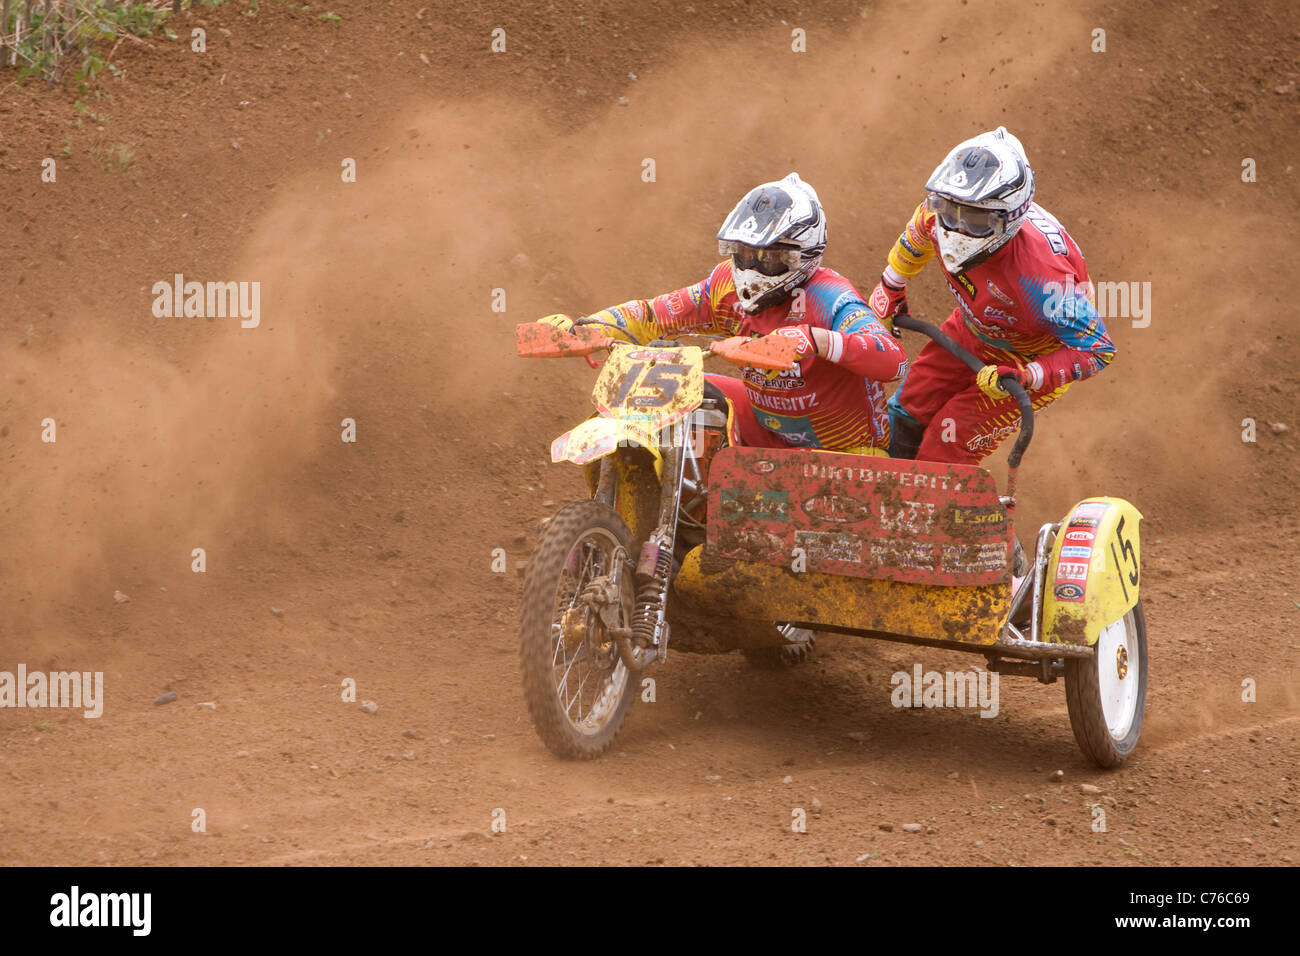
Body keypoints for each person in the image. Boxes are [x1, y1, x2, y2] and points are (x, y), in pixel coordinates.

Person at [538, 173, 908, 455]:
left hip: (847, 454)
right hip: (766, 429)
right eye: (744, 254)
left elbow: (894, 362)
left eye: (769, 257)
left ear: (802, 255)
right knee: (680, 388)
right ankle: (680, 511)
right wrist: (586, 327)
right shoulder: (724, 286)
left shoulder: (828, 295)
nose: (752, 267)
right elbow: (653, 314)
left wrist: (815, 340)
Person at [866, 127, 1115, 464]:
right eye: (951, 210)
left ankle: (936, 514)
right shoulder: (936, 212)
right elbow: (918, 233)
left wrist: (1028, 377)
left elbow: (1098, 350)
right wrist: (892, 285)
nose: (956, 228)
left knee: (947, 441)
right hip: (974, 328)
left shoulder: (1041, 280)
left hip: (1028, 360)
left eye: (975, 220)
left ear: (1008, 218)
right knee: (905, 411)